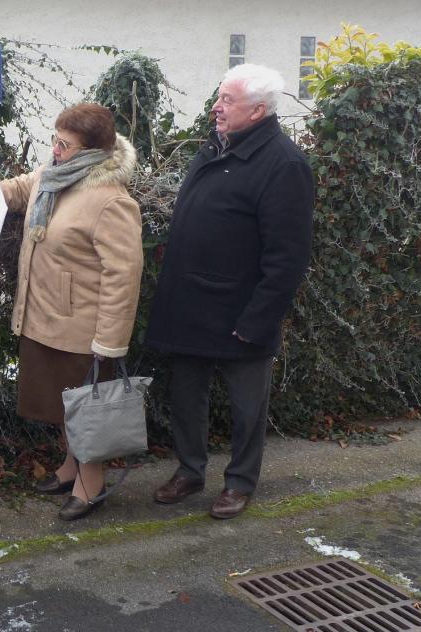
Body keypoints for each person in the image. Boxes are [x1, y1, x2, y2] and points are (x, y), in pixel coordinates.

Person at [145, 63, 314, 519]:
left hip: (240, 313)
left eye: (228, 101)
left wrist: (258, 320)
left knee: (246, 408)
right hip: (190, 306)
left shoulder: (284, 164)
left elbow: (288, 257)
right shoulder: (214, 149)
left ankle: (240, 482)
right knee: (185, 397)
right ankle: (190, 471)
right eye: (219, 97)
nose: (217, 107)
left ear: (258, 110)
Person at [0, 103, 143, 521]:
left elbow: (124, 274)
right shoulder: (53, 175)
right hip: (44, 319)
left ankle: (90, 483)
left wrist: (109, 342)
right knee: (62, 408)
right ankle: (69, 467)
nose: (55, 150)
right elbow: (22, 189)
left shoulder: (110, 201)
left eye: (65, 144)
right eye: (54, 139)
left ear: (91, 152)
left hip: (81, 329)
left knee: (84, 409)